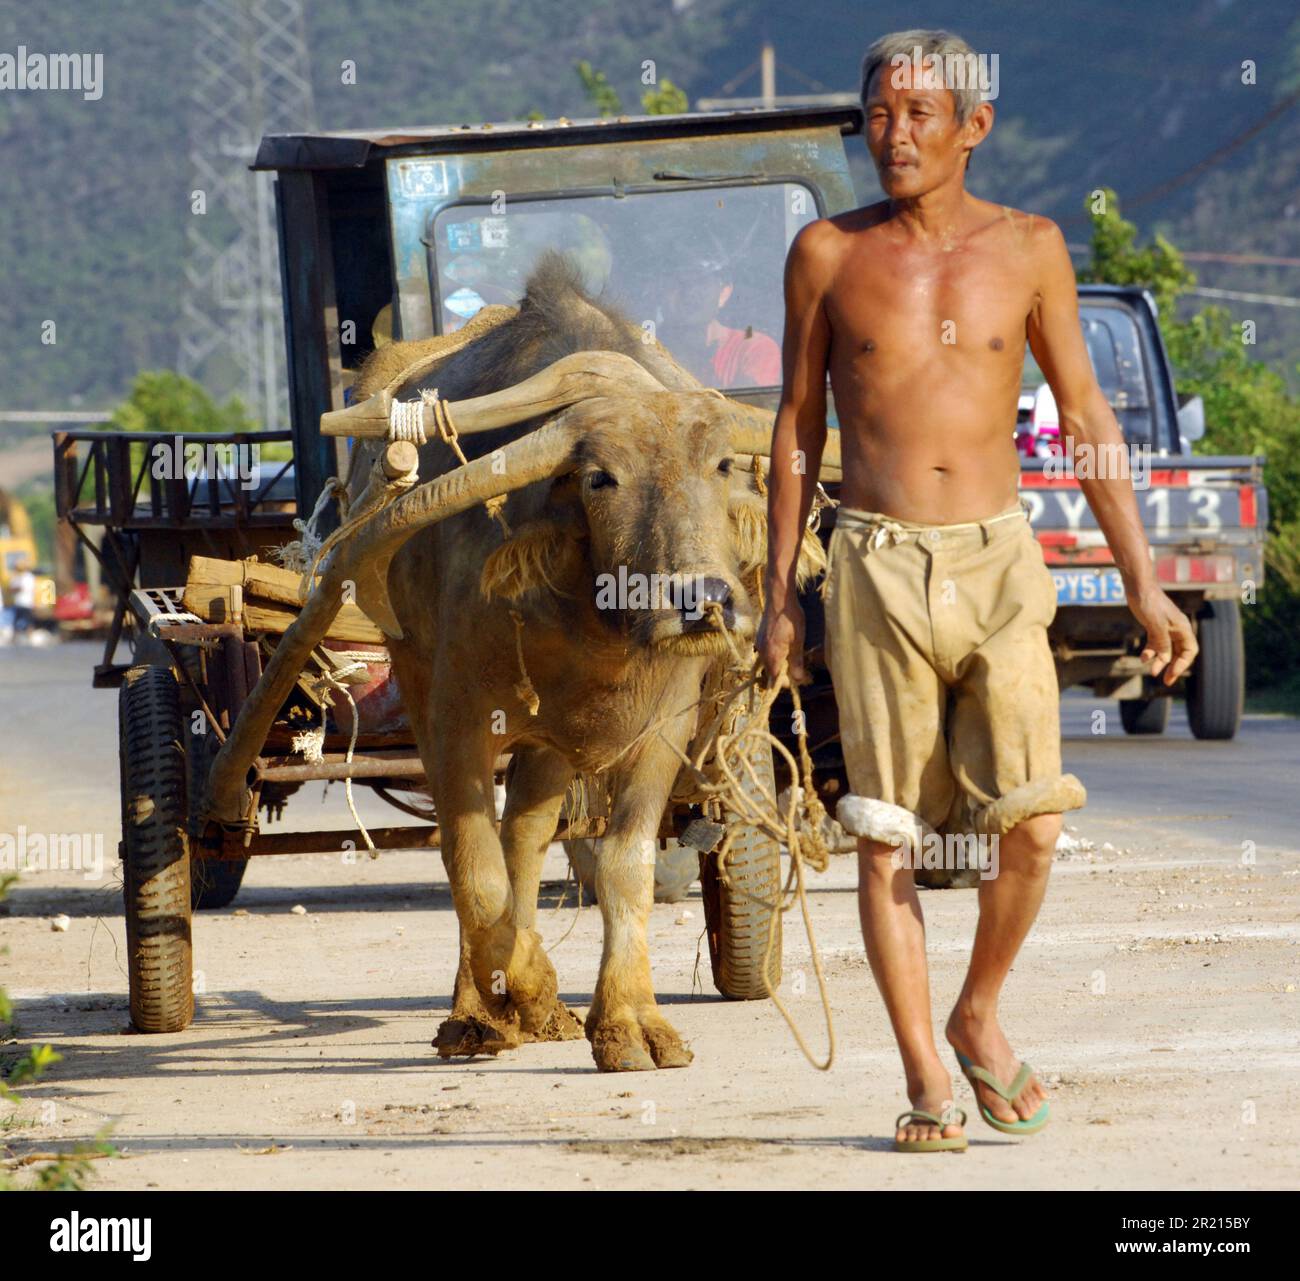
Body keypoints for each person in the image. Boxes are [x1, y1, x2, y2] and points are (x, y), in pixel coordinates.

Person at [757, 29, 1197, 1152]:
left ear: (973, 126)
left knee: (1034, 825)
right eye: (878, 114)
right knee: (884, 832)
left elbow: (1090, 421)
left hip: (1001, 562)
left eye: (917, 114)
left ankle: (977, 1011)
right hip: (871, 563)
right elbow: (797, 429)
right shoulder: (826, 254)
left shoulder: (1032, 248)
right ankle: (922, 1083)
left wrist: (1143, 583)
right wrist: (777, 597)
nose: (893, 136)